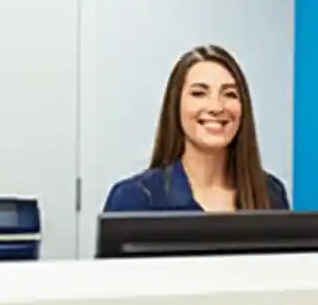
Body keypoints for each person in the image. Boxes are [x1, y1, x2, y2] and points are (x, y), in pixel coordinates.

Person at [103, 44, 289, 213]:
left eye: (230, 94)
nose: (216, 107)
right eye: (199, 93)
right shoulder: (134, 198)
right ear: (175, 106)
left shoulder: (270, 193)